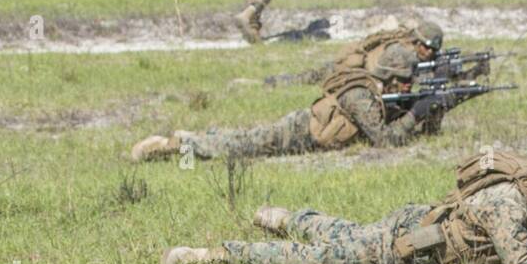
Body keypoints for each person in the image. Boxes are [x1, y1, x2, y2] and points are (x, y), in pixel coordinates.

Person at [158, 136, 527, 264]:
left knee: (343, 233)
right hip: (414, 243)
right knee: (325, 258)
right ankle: (216, 256)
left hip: (419, 223)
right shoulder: (508, 202)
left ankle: (288, 218)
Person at [129, 45, 434, 163]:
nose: (409, 84)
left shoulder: (374, 89)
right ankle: (170, 146)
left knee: (242, 140)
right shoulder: (362, 96)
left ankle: (192, 137)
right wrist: (416, 115)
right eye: (406, 78)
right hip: (298, 132)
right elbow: (383, 140)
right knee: (238, 147)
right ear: (392, 74)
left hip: (303, 130)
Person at [266, 20, 444, 87]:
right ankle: (276, 82)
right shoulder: (403, 53)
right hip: (354, 71)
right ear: (417, 42)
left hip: (360, 68)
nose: (429, 53)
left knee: (312, 76)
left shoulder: (414, 51)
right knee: (309, 78)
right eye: (427, 47)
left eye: (434, 50)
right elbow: (414, 78)